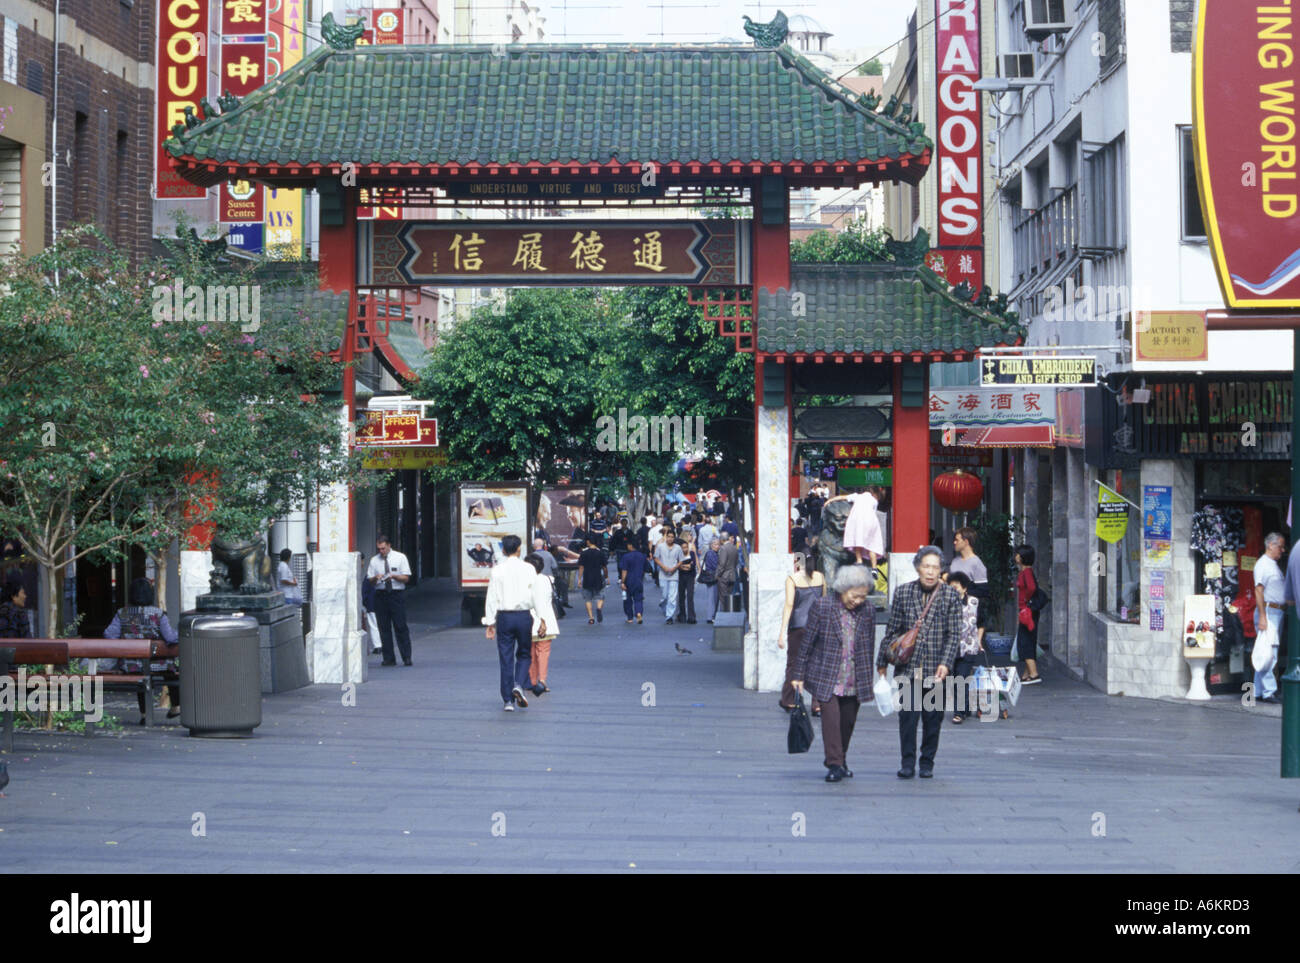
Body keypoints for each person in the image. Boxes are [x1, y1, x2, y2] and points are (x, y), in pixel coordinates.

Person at [877, 546, 962, 778]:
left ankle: (927, 763)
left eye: (935, 567)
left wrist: (946, 663)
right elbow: (892, 631)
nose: (931, 572)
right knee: (908, 718)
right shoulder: (903, 593)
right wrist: (881, 661)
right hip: (909, 667)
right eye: (926, 566)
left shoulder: (951, 596)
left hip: (937, 669)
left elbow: (954, 634)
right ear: (917, 567)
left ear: (941, 570)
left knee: (932, 719)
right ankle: (907, 762)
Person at [790, 565, 877, 782]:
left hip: (855, 676)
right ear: (842, 589)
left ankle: (841, 757)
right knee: (831, 721)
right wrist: (798, 674)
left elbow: (869, 643)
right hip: (827, 674)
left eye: (862, 597)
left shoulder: (868, 610)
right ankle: (834, 764)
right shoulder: (823, 606)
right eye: (854, 596)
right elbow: (807, 642)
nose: (857, 601)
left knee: (847, 723)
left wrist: (873, 672)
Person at [104, 577, 180, 723]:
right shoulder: (158, 614)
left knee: (141, 677)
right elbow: (170, 638)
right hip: (158, 664)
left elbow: (109, 635)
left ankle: (145, 714)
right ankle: (176, 706)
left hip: (131, 664)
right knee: (172, 671)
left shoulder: (122, 613)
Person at [483, 534, 537, 711]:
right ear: (519, 548)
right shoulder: (529, 568)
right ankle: (519, 684)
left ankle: (507, 700)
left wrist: (490, 623)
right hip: (523, 616)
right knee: (524, 654)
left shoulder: (497, 570)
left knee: (505, 657)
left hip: (504, 617)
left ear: (504, 550)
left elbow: (492, 597)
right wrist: (541, 617)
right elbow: (535, 595)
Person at [779, 552, 827, 714]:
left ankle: (789, 700)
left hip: (798, 626)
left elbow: (789, 605)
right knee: (817, 664)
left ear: (797, 561)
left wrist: (781, 632)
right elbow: (825, 601)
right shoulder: (820, 577)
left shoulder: (792, 579)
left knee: (793, 662)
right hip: (818, 625)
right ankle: (818, 703)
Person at [945, 571, 986, 724]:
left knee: (960, 678)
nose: (954, 589)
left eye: (956, 586)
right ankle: (966, 707)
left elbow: (981, 624)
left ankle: (959, 713)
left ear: (964, 588)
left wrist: (979, 640)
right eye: (951, 586)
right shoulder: (944, 604)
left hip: (969, 647)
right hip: (950, 649)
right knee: (956, 678)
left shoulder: (974, 602)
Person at [367, 535, 413, 666]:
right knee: (383, 627)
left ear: (388, 545)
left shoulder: (400, 557)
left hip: (396, 594)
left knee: (400, 625)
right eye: (379, 549)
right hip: (381, 594)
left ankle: (406, 657)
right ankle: (388, 658)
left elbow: (406, 578)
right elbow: (369, 580)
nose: (381, 551)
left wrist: (394, 577)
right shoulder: (374, 560)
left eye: (383, 548)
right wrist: (376, 577)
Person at [1253, 532, 1287, 704]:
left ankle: (1257, 691)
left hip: (1275, 612)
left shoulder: (1272, 565)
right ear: (1271, 545)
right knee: (1269, 653)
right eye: (1280, 546)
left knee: (1263, 652)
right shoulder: (1263, 565)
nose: (1282, 550)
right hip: (1269, 612)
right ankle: (1269, 691)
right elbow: (1259, 590)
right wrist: (1263, 617)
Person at [524, 552, 559, 697]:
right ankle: (542, 680)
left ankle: (531, 681)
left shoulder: (523, 581)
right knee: (543, 652)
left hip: (527, 620)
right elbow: (547, 599)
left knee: (529, 652)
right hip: (546, 619)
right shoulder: (546, 580)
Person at [828, 487, 885, 568]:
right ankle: (874, 567)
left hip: (857, 520)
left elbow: (841, 497)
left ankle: (859, 560)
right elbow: (873, 513)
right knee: (872, 545)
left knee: (857, 541)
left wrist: (829, 501)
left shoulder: (857, 496)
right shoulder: (875, 501)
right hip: (871, 521)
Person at [1014, 544, 1043, 684]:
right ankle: (1026, 674)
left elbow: (1031, 587)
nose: (1016, 556)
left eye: (1018, 554)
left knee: (1025, 642)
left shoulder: (1026, 573)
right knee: (1028, 640)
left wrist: (1025, 604)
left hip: (1027, 611)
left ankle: (1034, 673)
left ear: (1023, 557)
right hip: (1027, 611)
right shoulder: (1026, 572)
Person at [654, 527, 684, 624]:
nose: (670, 539)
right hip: (663, 574)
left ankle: (669, 616)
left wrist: (674, 568)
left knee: (672, 596)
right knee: (665, 595)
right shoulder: (660, 546)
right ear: (666, 537)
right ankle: (663, 606)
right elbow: (656, 558)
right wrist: (663, 567)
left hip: (674, 574)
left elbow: (681, 560)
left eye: (672, 537)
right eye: (669, 537)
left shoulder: (678, 548)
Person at [949, 527, 989, 600]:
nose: (954, 542)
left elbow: (983, 591)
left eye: (957, 540)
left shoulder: (976, 563)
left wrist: (964, 593)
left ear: (966, 542)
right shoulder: (954, 561)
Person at [578, 535, 607, 624]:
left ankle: (591, 617)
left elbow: (581, 567)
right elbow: (604, 567)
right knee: (601, 595)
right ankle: (598, 608)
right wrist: (606, 577)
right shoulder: (600, 553)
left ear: (588, 542)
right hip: (598, 576)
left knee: (588, 598)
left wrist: (579, 579)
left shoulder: (584, 553)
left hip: (587, 577)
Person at [619, 541, 649, 624]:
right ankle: (639, 612)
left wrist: (622, 582)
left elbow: (624, 570)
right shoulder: (642, 556)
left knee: (627, 600)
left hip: (628, 580)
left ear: (631, 545)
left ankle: (630, 618)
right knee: (638, 599)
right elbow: (647, 568)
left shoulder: (626, 557)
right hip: (638, 580)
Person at [677, 529, 699, 624]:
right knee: (682, 595)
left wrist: (684, 566)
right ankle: (682, 615)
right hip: (682, 576)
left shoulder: (691, 552)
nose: (685, 549)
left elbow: (691, 565)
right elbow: (679, 565)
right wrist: (685, 566)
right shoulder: (679, 552)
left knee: (690, 596)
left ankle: (691, 616)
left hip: (690, 576)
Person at [715, 534, 739, 619]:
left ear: (722, 540)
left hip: (724, 576)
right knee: (729, 595)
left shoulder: (723, 548)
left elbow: (722, 564)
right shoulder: (734, 548)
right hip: (732, 574)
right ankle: (729, 615)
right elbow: (736, 562)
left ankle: (724, 616)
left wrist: (717, 575)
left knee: (723, 598)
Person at [699, 537, 721, 624]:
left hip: (713, 576)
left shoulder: (715, 553)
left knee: (714, 597)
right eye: (715, 544)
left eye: (718, 544)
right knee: (712, 597)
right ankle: (710, 616)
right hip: (712, 576)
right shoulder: (711, 553)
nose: (717, 546)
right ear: (711, 545)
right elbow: (715, 565)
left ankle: (712, 615)